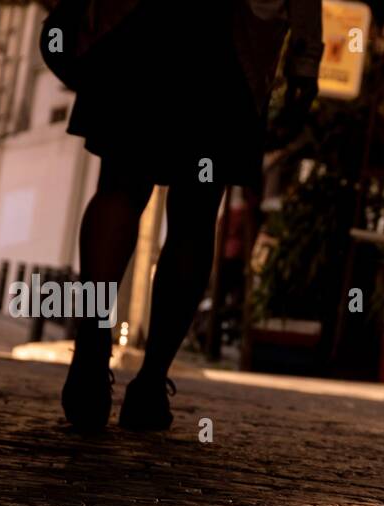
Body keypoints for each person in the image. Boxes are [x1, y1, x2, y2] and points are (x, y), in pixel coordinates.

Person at [53, 0, 323, 433]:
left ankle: (90, 349)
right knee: (195, 215)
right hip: (224, 49)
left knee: (120, 186)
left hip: (140, 26)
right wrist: (306, 61)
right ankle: (151, 382)